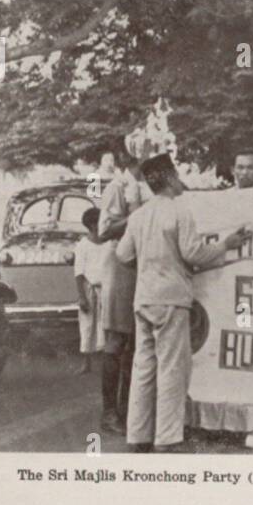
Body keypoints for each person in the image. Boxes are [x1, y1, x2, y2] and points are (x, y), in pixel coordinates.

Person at [116, 155, 252, 451]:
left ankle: (138, 436)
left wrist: (150, 265)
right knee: (172, 370)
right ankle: (167, 438)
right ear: (167, 178)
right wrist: (225, 245)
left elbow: (123, 255)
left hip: (144, 298)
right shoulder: (180, 211)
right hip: (172, 298)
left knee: (144, 367)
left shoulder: (138, 216)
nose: (180, 180)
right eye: (176, 175)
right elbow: (193, 253)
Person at [96, 150, 147, 433]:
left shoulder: (146, 186)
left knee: (135, 343)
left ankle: (129, 410)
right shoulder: (118, 187)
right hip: (120, 266)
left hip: (141, 267)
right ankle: (109, 413)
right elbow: (104, 231)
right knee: (116, 341)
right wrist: (137, 217)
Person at [72, 207, 111, 375]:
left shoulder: (109, 242)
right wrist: (82, 297)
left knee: (106, 325)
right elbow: (79, 273)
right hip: (89, 289)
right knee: (87, 326)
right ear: (94, 225)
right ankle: (86, 363)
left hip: (107, 288)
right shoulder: (83, 245)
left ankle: (106, 363)